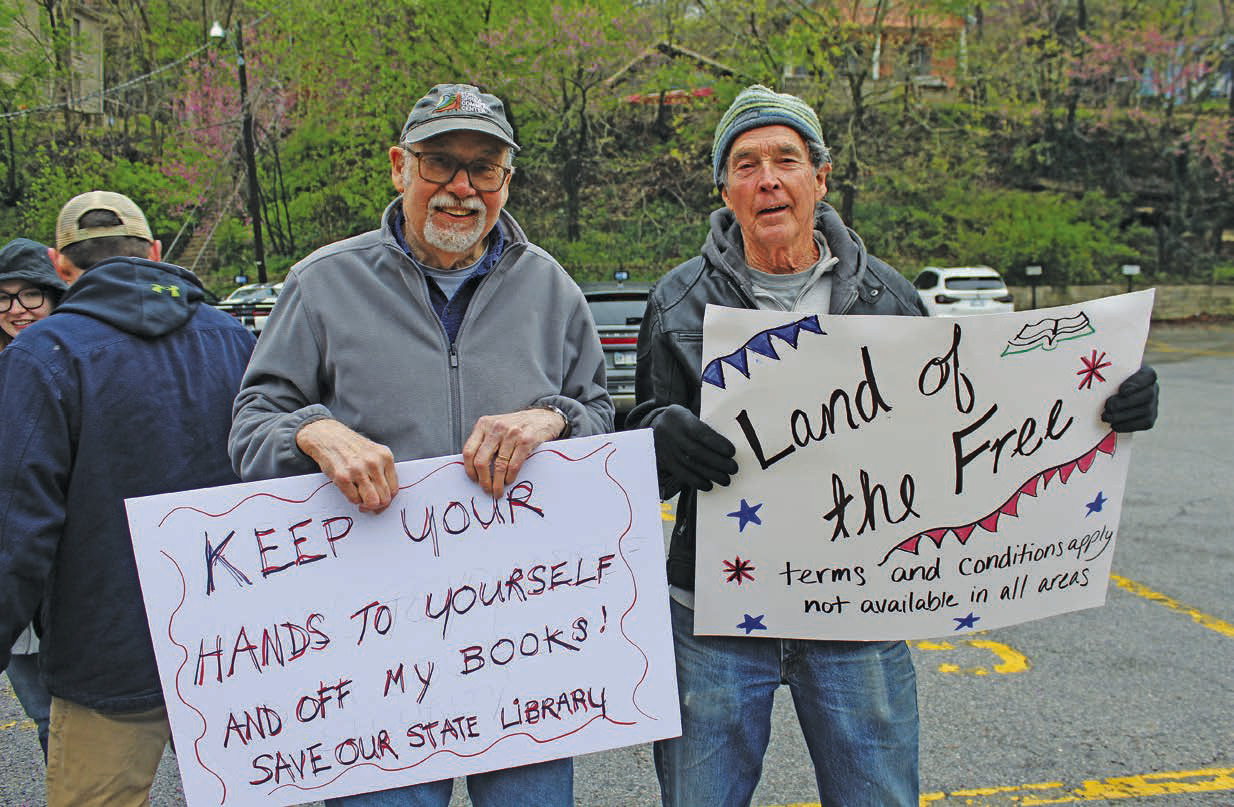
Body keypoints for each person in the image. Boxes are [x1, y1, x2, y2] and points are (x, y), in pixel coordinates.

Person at [626, 84, 1160, 807]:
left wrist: (1104, 403)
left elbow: (968, 428)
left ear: (821, 176)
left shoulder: (890, 298)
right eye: (746, 163)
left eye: (786, 158)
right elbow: (647, 454)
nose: (768, 179)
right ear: (725, 186)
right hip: (714, 614)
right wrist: (655, 437)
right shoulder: (678, 299)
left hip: (859, 606)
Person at [229, 82, 612, 807]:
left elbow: (600, 415)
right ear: (399, 166)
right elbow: (253, 423)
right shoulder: (321, 285)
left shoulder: (552, 289)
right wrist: (315, 429)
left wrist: (552, 418)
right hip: (374, 654)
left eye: (484, 167)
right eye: (440, 162)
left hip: (525, 643)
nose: (461, 188)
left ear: (507, 180)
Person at [0, 191, 256, 807]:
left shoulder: (42, 355)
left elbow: (18, 526)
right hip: (234, 644)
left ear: (60, 265)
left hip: (103, 652)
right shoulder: (233, 340)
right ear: (155, 252)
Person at [0, 237, 67, 761]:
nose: (17, 309)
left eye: (29, 296)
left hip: (69, 562)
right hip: (10, 566)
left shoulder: (74, 358)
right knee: (43, 713)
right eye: (3, 298)